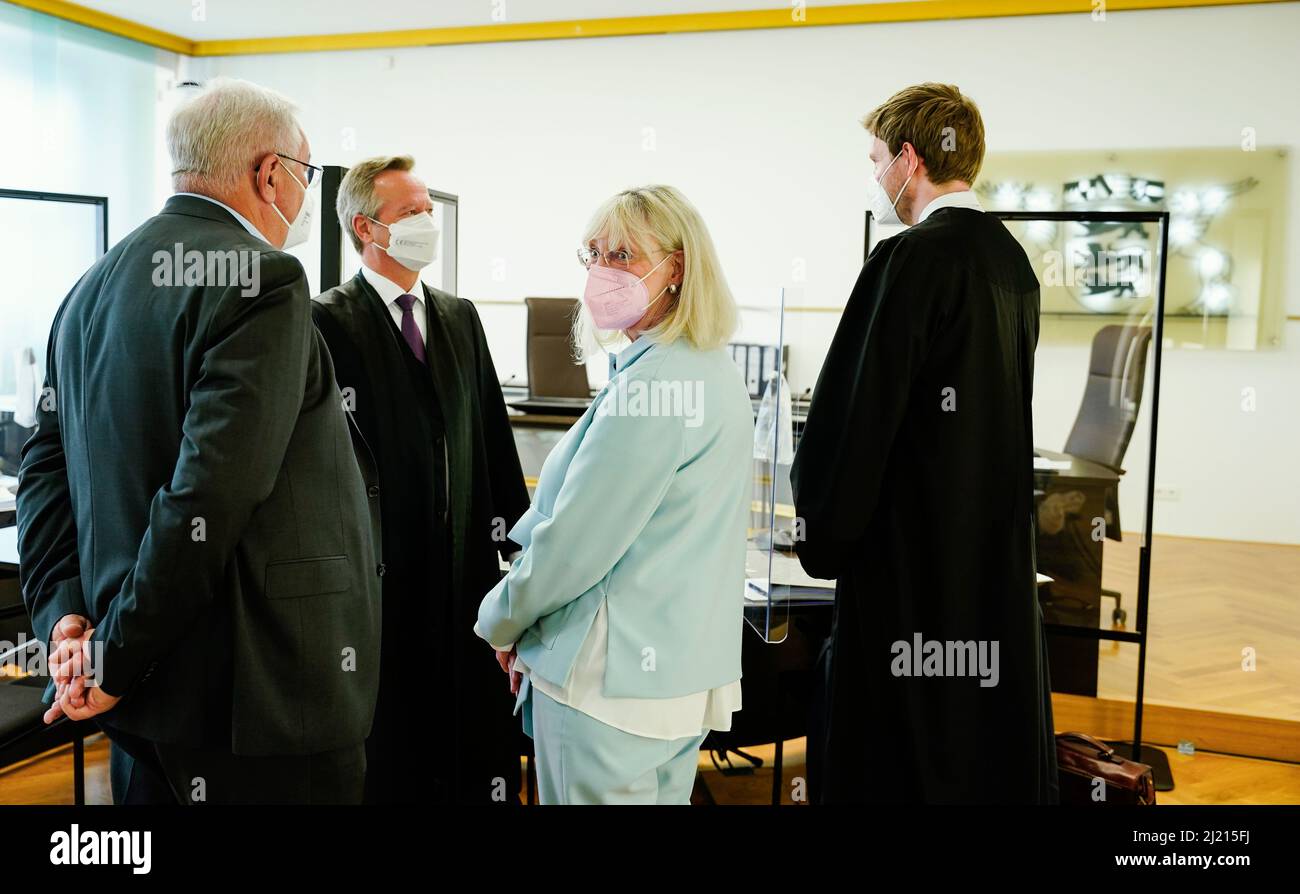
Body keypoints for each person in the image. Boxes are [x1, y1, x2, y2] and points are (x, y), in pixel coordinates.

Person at [16, 77, 382, 804]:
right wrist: (109, 660)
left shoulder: (88, 289)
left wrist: (67, 624)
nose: (305, 198)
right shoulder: (265, 281)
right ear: (268, 173)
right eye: (306, 176)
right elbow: (207, 497)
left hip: (148, 711)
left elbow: (43, 473)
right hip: (257, 704)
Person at [790, 83, 1058, 804]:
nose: (877, 175)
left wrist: (819, 526)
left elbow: (853, 425)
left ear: (910, 158)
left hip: (907, 582)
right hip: (989, 575)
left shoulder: (908, 260)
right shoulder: (1012, 265)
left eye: (877, 158)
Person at [475, 185, 752, 805]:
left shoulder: (651, 386)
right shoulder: (710, 370)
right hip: (675, 684)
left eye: (624, 254)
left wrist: (501, 619)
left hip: (606, 686)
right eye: (595, 253)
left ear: (675, 268)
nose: (603, 271)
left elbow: (575, 545)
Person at [312, 156, 531, 804]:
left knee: (470, 754)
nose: (427, 222)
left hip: (464, 585)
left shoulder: (459, 317)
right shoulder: (326, 323)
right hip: (378, 591)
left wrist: (520, 566)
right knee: (392, 760)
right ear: (365, 227)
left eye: (428, 210)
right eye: (411, 212)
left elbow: (491, 441)